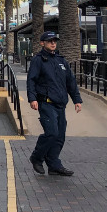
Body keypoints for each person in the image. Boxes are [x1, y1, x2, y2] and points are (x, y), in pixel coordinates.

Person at [27, 31, 82, 177]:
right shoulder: (38, 60)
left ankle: (54, 165)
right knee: (51, 133)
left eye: (54, 41)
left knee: (60, 136)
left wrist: (77, 100)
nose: (53, 43)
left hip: (60, 104)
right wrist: (32, 98)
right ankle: (36, 158)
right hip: (46, 103)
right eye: (49, 41)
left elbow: (70, 81)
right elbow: (31, 80)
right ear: (42, 43)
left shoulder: (61, 60)